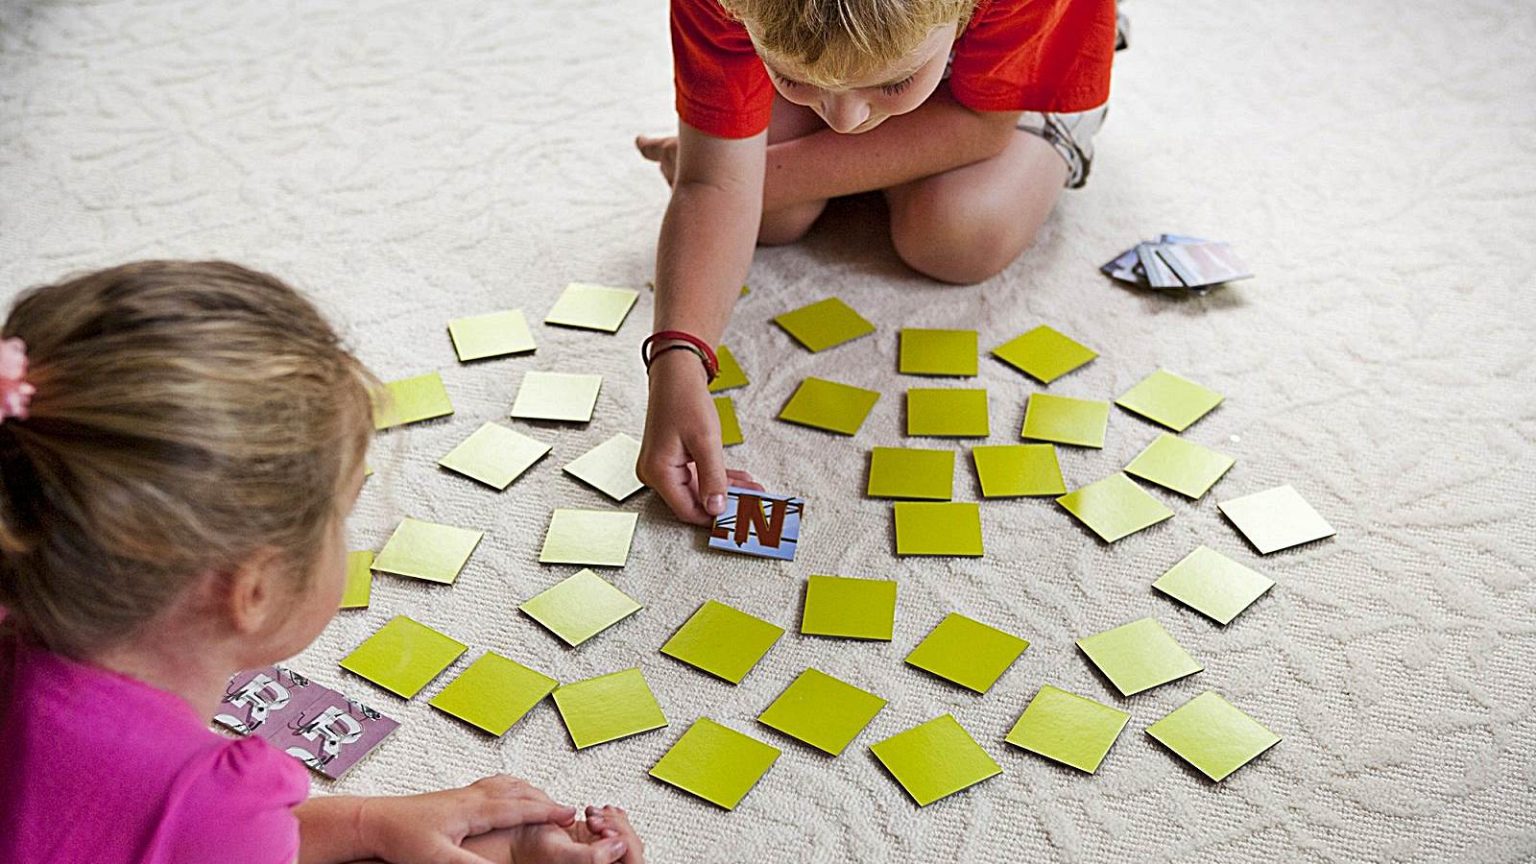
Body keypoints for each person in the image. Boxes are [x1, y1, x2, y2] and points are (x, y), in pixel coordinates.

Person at [0, 261, 644, 864]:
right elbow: (205, 835)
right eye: (342, 517)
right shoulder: (210, 800)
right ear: (252, 590)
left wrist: (369, 822)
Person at [635, 0, 1117, 524]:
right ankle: (856, 102)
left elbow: (982, 127)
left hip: (1017, 58)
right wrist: (677, 360)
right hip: (861, 42)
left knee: (959, 234)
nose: (847, 121)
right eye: (790, 78)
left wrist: (732, 176)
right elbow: (717, 188)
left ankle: (863, 106)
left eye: (894, 85)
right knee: (770, 222)